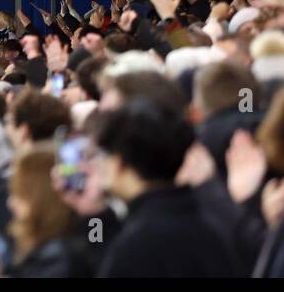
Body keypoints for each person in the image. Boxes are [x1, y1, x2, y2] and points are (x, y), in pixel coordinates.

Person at [92, 99, 241, 277]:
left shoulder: (138, 245)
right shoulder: (211, 215)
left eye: (105, 154)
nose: (98, 163)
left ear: (121, 162)